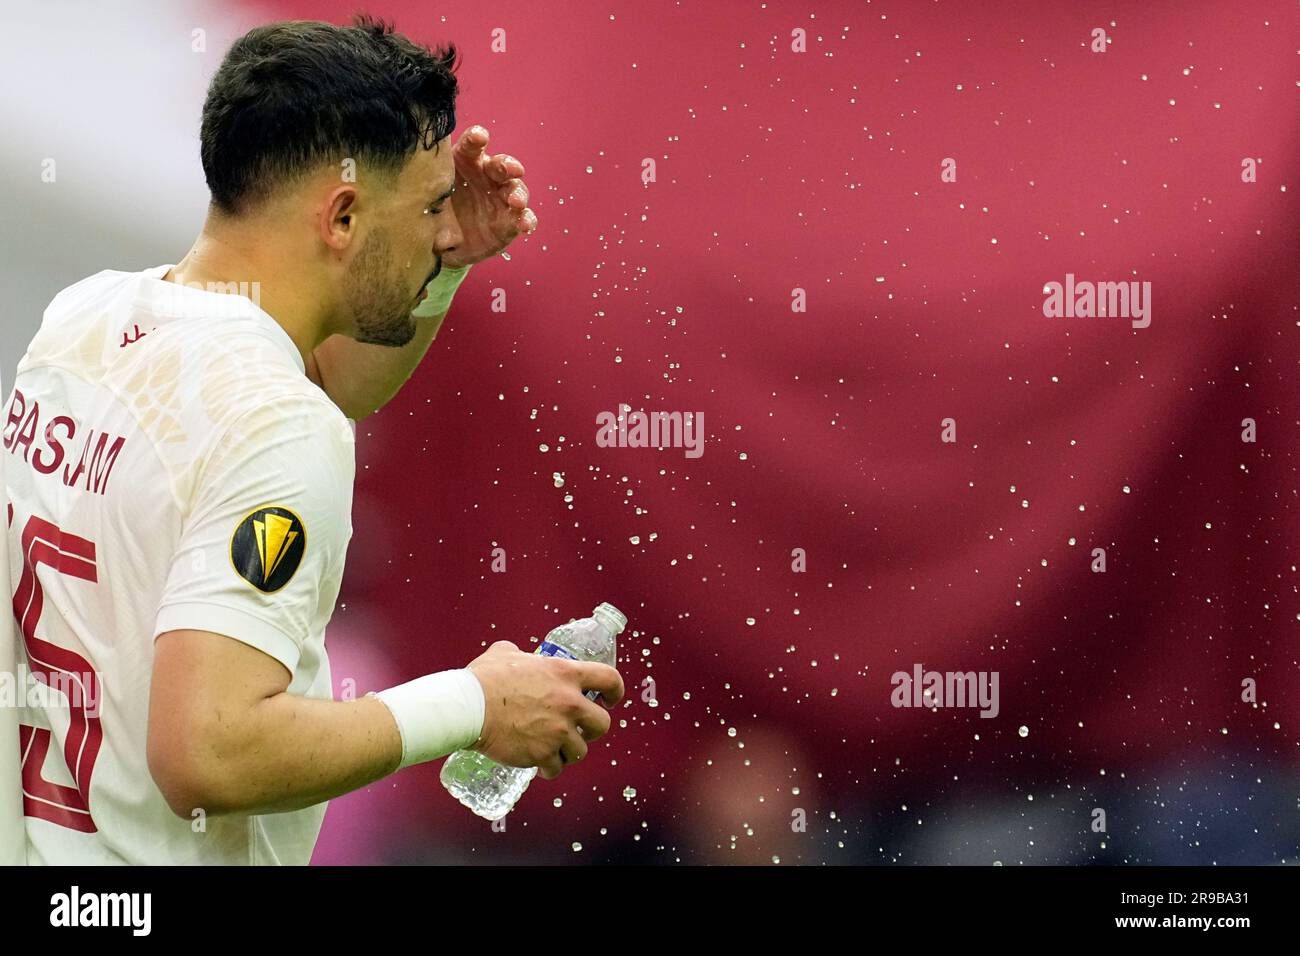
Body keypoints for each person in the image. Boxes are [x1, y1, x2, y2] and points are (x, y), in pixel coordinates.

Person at [1, 14, 623, 865]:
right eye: (431, 208)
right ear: (342, 216)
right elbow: (209, 750)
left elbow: (314, 391)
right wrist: (472, 705)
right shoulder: (278, 422)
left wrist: (440, 274)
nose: (444, 231)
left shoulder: (86, 318)